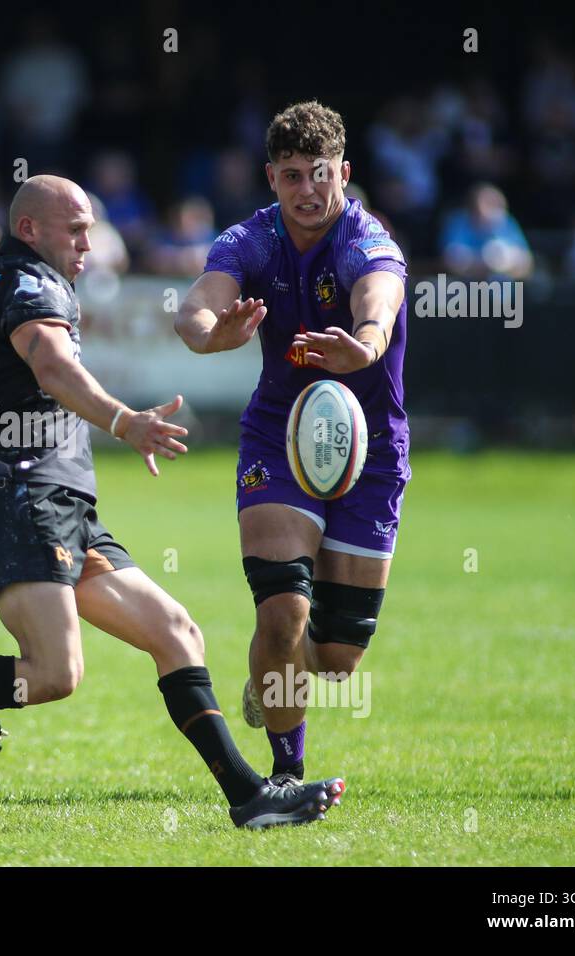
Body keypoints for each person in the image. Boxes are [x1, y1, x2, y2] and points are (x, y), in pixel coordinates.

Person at [0, 175, 345, 829]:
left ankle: (248, 797)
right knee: (53, 672)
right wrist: (126, 422)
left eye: (91, 227)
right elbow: (51, 365)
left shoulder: (16, 279)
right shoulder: (27, 283)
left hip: (61, 506)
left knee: (176, 633)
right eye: (75, 228)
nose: (88, 241)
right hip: (17, 501)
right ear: (30, 230)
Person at [175, 101, 409, 789]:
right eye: (291, 177)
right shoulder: (249, 240)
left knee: (335, 660)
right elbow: (196, 308)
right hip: (279, 437)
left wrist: (361, 348)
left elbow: (379, 310)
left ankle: (270, 682)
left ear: (345, 172)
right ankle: (283, 778)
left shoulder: (370, 243)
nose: (308, 191)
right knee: (281, 612)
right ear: (271, 178)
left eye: (320, 174)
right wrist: (209, 334)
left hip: (372, 455)